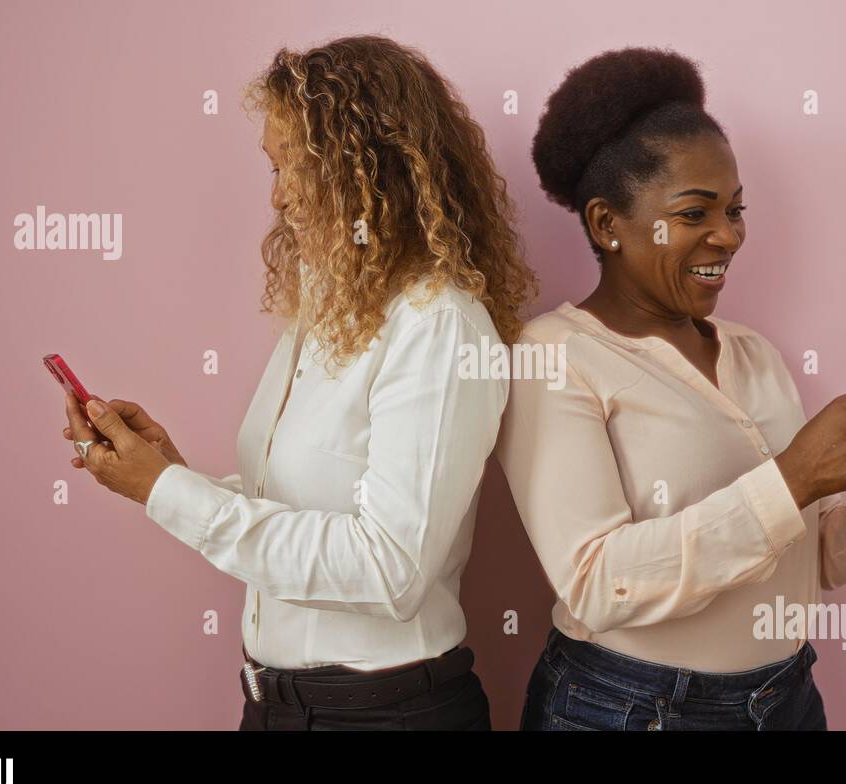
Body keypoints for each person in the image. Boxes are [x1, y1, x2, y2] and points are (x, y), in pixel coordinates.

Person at [61, 35, 537, 730]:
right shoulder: (331, 310)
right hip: (276, 707)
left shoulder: (440, 326)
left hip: (381, 715)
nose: (279, 198)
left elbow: (388, 569)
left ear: (369, 169)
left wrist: (166, 492)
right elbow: (298, 510)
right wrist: (168, 471)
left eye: (295, 168)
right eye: (272, 168)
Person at [496, 47, 846, 731]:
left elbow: (809, 557)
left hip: (785, 698)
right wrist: (795, 475)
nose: (729, 235)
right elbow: (598, 582)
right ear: (607, 225)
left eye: (735, 209)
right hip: (628, 709)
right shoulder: (553, 357)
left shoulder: (754, 354)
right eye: (695, 213)